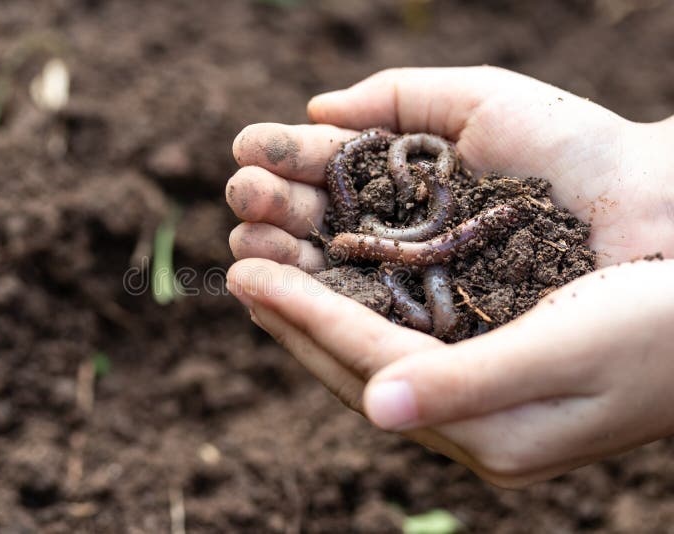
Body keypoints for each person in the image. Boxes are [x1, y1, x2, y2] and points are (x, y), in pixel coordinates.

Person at [224, 66, 674, 488]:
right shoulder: (395, 218)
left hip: (420, 246)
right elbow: (420, 246)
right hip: (412, 244)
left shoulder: (440, 216)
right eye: (345, 244)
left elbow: (426, 248)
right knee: (425, 255)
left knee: (429, 256)